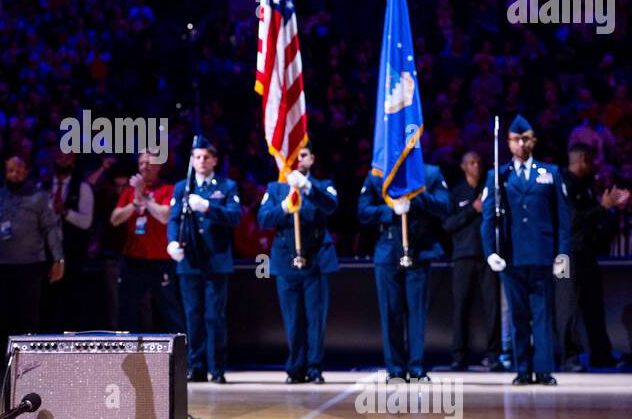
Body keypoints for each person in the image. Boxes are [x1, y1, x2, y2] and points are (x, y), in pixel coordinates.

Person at [481, 115, 571, 386]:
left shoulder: (550, 173)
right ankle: (522, 369)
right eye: (515, 139)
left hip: (542, 254)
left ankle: (543, 369)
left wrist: (563, 253)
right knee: (518, 316)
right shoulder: (498, 175)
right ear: (508, 143)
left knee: (542, 314)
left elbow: (562, 218)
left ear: (534, 141)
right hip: (512, 254)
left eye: (525, 138)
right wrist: (490, 251)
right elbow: (488, 218)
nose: (521, 143)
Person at [358, 163, 450, 382]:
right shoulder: (377, 174)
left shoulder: (430, 173)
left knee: (417, 312)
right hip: (388, 249)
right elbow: (363, 211)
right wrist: (390, 209)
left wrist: (416, 198)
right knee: (391, 312)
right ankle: (395, 368)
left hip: (420, 247)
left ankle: (417, 367)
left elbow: (445, 206)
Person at [256, 145, 339, 384]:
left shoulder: (323, 186)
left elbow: (330, 206)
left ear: (312, 159)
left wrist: (307, 188)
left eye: (303, 154)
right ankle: (295, 367)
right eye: (293, 155)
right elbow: (263, 218)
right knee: (293, 318)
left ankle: (314, 367)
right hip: (286, 260)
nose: (298, 159)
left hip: (316, 259)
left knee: (315, 317)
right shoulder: (275, 188)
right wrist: (283, 207)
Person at [167, 135, 241, 383]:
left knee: (214, 316)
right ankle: (195, 366)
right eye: (197, 157)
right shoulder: (183, 187)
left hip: (216, 260)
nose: (201, 161)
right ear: (191, 160)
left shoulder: (226, 186)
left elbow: (234, 217)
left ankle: (217, 368)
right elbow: (174, 218)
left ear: (214, 160)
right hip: (190, 260)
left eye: (206, 157)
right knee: (193, 316)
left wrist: (209, 207)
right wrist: (172, 242)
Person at [558, 143, 628, 371]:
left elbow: (594, 220)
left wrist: (612, 208)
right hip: (564, 253)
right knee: (567, 304)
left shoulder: (586, 186)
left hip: (585, 251)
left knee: (593, 304)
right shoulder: (562, 183)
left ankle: (601, 354)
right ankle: (568, 356)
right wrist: (602, 206)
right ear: (582, 158)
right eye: (592, 159)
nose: (595, 165)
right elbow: (573, 220)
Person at [0, 156, 64, 338]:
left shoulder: (39, 196)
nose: (16, 174)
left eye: (20, 170)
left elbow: (51, 228)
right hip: (3, 264)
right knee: (2, 316)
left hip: (31, 265)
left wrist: (58, 258)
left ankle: (29, 362)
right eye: (11, 170)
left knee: (28, 316)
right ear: (5, 173)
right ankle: (6, 362)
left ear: (27, 172)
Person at [110, 151, 183, 334]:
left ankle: (181, 356)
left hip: (160, 260)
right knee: (127, 310)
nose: (144, 167)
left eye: (149, 163)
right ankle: (128, 357)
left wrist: (144, 198)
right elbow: (115, 219)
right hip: (133, 259)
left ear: (159, 166)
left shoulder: (167, 190)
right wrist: (135, 202)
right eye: (141, 163)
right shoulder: (129, 192)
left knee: (169, 310)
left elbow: (165, 216)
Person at [441, 152, 502, 371]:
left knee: (492, 306)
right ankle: (459, 356)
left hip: (488, 256)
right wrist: (471, 210)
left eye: (478, 162)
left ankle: (494, 355)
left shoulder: (490, 189)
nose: (476, 166)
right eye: (471, 163)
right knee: (461, 307)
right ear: (463, 166)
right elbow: (447, 225)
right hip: (463, 256)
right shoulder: (456, 193)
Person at [42, 150, 94, 332]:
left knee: (71, 302)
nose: (63, 160)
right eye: (59, 156)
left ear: (73, 162)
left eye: (67, 157)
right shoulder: (42, 186)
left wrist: (66, 212)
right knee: (45, 302)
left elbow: (86, 222)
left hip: (72, 253)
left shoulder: (82, 188)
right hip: (45, 253)